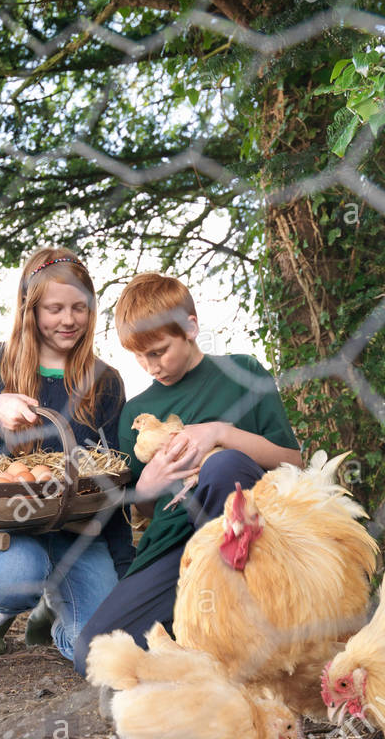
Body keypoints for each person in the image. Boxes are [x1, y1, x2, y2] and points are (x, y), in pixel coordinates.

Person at [72, 272, 301, 678]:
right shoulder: (135, 412)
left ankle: (230, 621)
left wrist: (221, 433)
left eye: (159, 351)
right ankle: (202, 637)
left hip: (244, 538)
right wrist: (148, 485)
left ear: (191, 328)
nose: (150, 366)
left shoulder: (242, 372)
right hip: (177, 548)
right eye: (139, 357)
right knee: (93, 653)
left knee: (222, 466)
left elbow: (291, 463)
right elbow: (144, 510)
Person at [0, 248, 132, 660]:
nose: (68, 320)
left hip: (78, 534)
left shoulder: (104, 381)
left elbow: (115, 484)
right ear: (29, 308)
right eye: (54, 308)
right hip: (9, 529)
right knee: (18, 573)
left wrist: (122, 570)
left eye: (79, 308)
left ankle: (52, 612)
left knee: (100, 651)